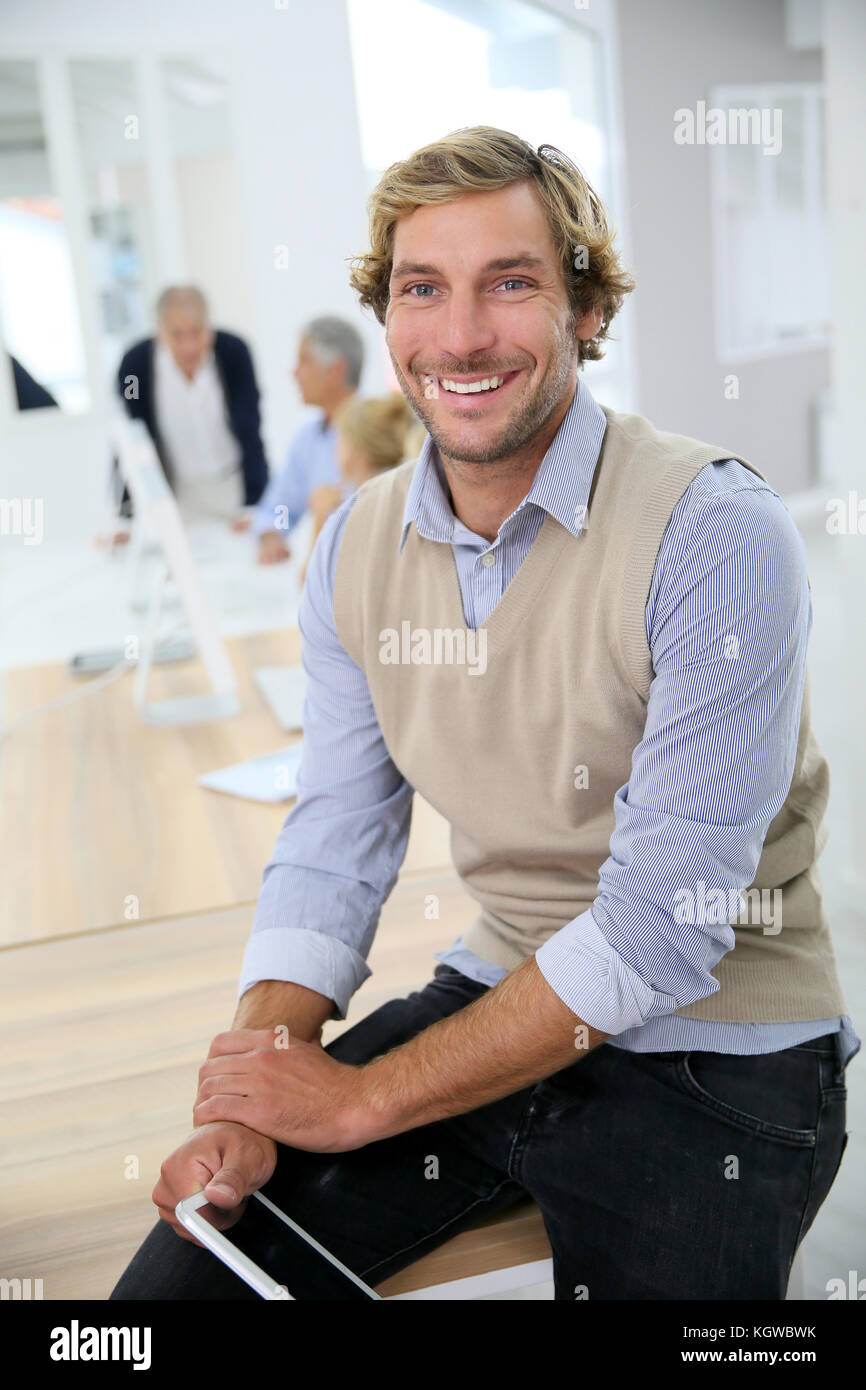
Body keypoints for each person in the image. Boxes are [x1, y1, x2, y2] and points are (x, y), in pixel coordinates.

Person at [111, 126, 857, 1302]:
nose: (458, 336)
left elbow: (663, 930)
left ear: (586, 307)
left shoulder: (716, 535)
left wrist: (359, 1097)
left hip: (718, 1045)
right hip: (504, 987)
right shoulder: (354, 545)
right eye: (422, 289)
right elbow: (332, 842)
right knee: (172, 1300)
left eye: (508, 284)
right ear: (387, 316)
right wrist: (264, 1076)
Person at [114, 286, 269, 528]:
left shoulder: (235, 353)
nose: (189, 346)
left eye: (197, 332)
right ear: (160, 332)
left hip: (234, 485)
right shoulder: (134, 366)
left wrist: (255, 501)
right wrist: (126, 519)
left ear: (209, 328)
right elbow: (133, 438)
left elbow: (251, 427)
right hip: (178, 491)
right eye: (176, 335)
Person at [252, 316, 363, 565]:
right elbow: (279, 508)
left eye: (304, 361)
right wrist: (272, 535)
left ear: (336, 371)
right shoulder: (308, 439)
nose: (294, 373)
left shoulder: (380, 431)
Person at [298, 391, 417, 585]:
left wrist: (320, 518)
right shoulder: (400, 491)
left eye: (340, 438)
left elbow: (314, 589)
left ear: (355, 448)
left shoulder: (360, 509)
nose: (335, 447)